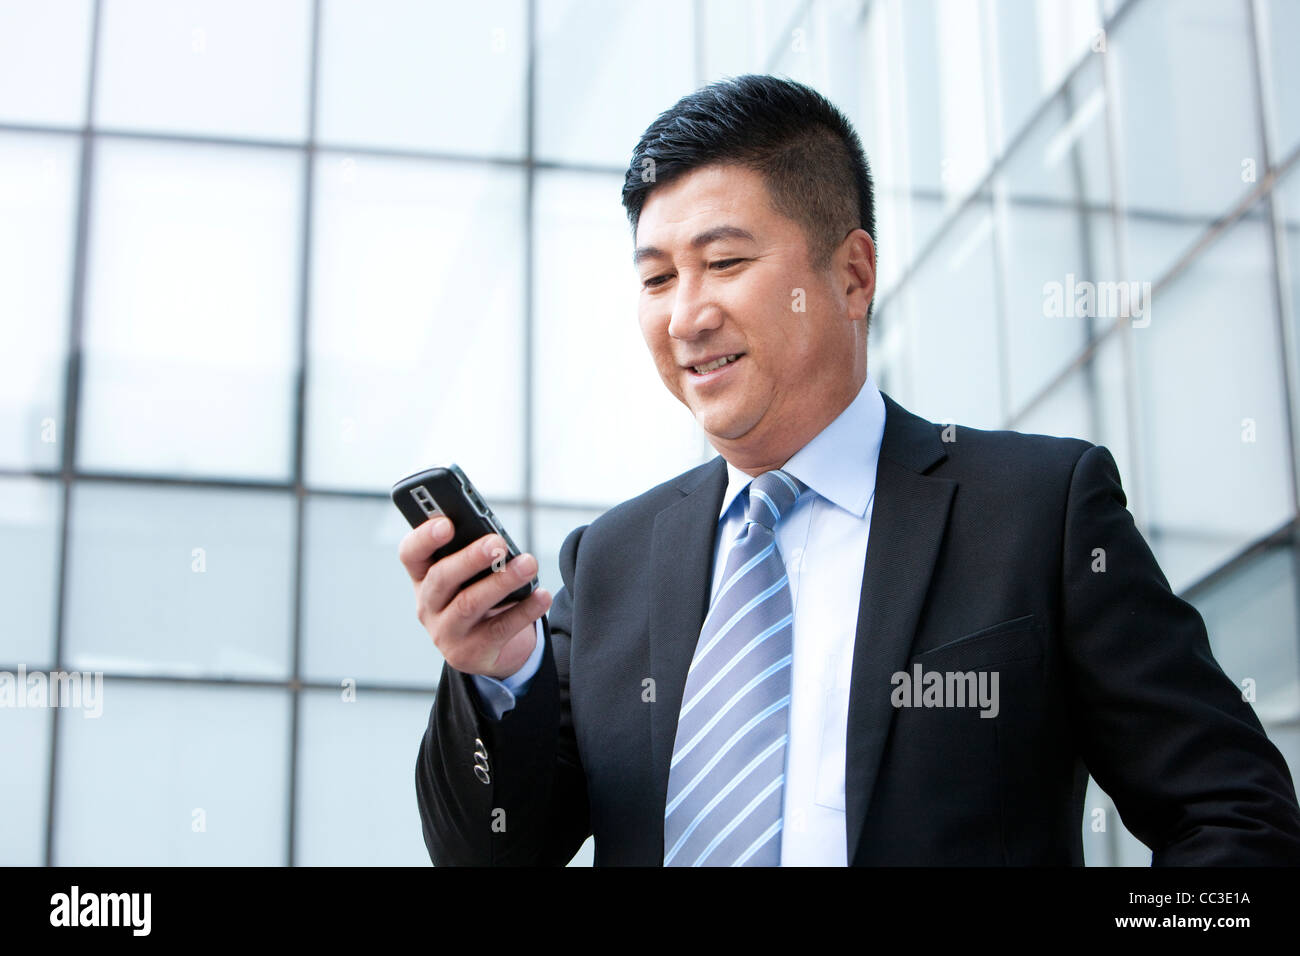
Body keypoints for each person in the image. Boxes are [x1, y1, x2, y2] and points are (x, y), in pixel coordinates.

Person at [400, 74, 1300, 866]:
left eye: (724, 262)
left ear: (853, 276)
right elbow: (491, 855)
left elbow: (1233, 815)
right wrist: (495, 675)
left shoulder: (1036, 511)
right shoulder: (610, 564)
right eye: (657, 279)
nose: (687, 316)